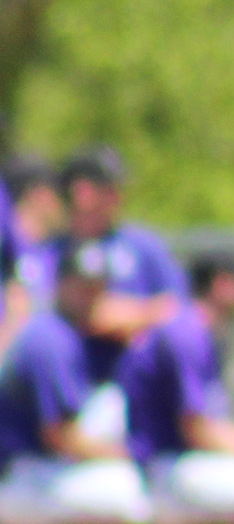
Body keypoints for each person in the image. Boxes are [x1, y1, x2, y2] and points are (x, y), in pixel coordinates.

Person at [116, 250, 234, 524]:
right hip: (163, 467)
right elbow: (196, 427)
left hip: (184, 466)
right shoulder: (186, 333)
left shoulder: (203, 333)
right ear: (222, 284)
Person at [0, 241, 153, 524]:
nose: (91, 298)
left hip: (38, 469)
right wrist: (133, 456)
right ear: (59, 286)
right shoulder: (49, 338)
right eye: (83, 288)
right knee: (128, 492)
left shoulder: (68, 332)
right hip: (20, 476)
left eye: (98, 288)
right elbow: (60, 436)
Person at [53, 145, 188, 384]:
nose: (118, 196)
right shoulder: (53, 251)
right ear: (81, 191)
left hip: (133, 380)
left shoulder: (142, 245)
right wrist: (140, 312)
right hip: (69, 382)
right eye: (108, 189)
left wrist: (124, 315)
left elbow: (176, 309)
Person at [3, 153, 64, 311]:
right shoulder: (7, 252)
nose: (64, 202)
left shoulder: (60, 251)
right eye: (59, 192)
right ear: (37, 194)